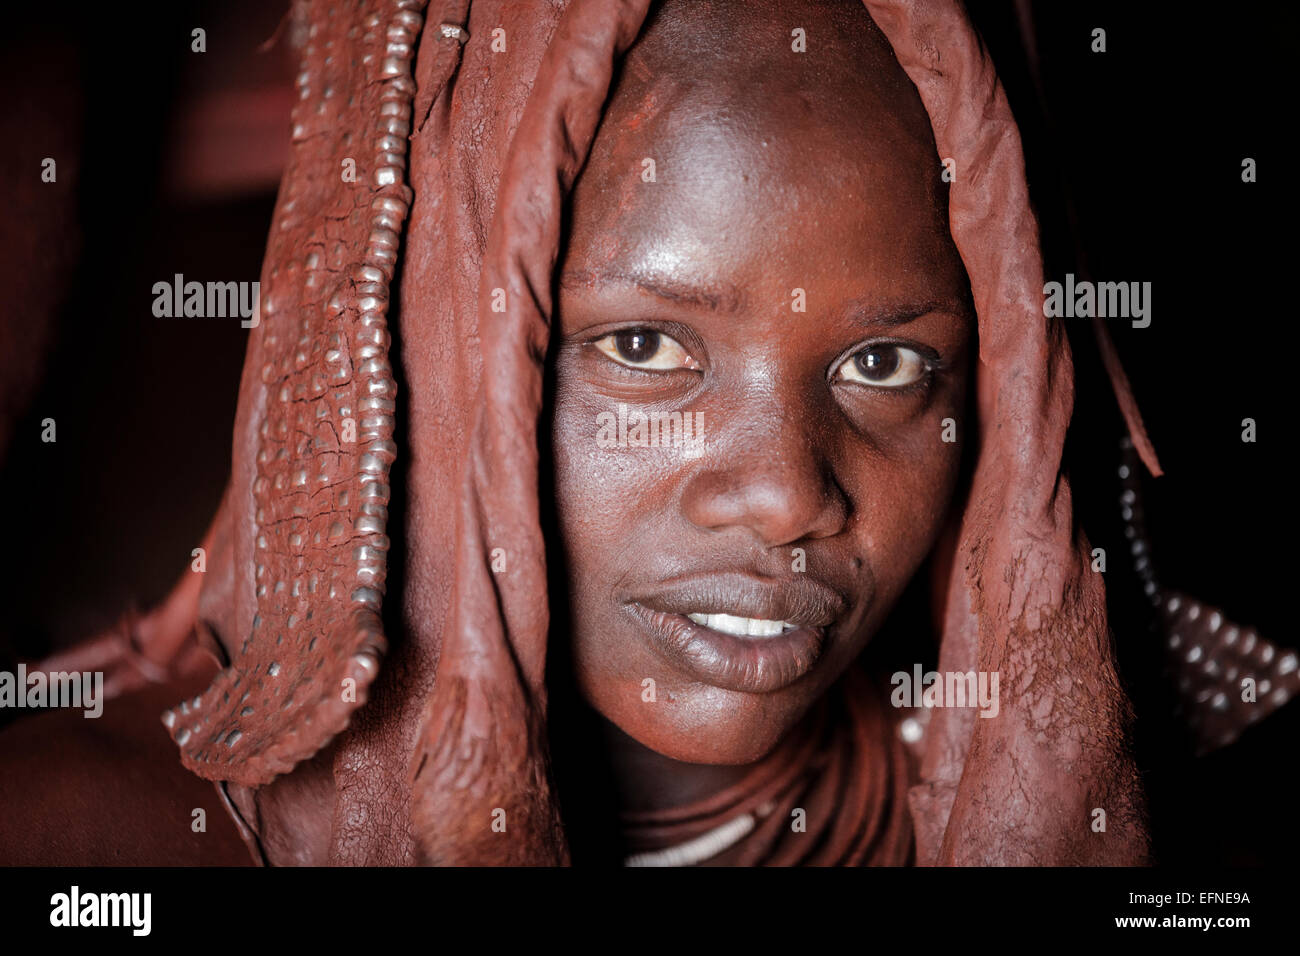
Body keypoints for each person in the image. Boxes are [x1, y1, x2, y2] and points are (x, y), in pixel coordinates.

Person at [11, 0, 1264, 866]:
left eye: (886, 363)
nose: (783, 494)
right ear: (428, 349)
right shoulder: (88, 838)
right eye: (644, 347)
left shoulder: (1165, 798)